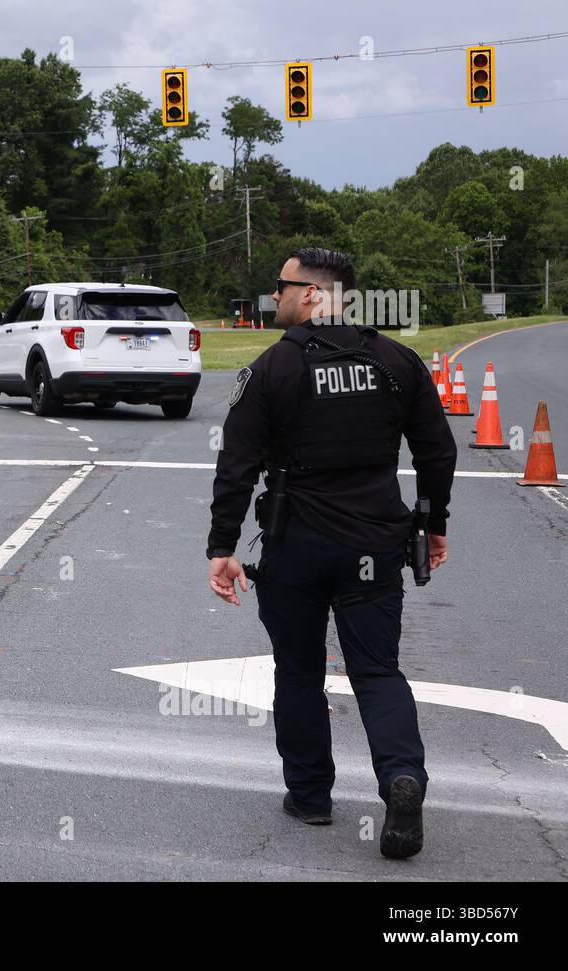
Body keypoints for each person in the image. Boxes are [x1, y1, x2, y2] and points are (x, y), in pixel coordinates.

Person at [206, 246, 456, 859]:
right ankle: (402, 777)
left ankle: (311, 796)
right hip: (375, 543)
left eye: (283, 286)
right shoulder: (397, 361)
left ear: (314, 292)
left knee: (298, 669)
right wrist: (433, 522)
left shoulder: (272, 369)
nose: (276, 296)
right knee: (377, 670)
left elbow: (236, 463)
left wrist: (222, 546)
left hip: (297, 545)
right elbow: (437, 450)